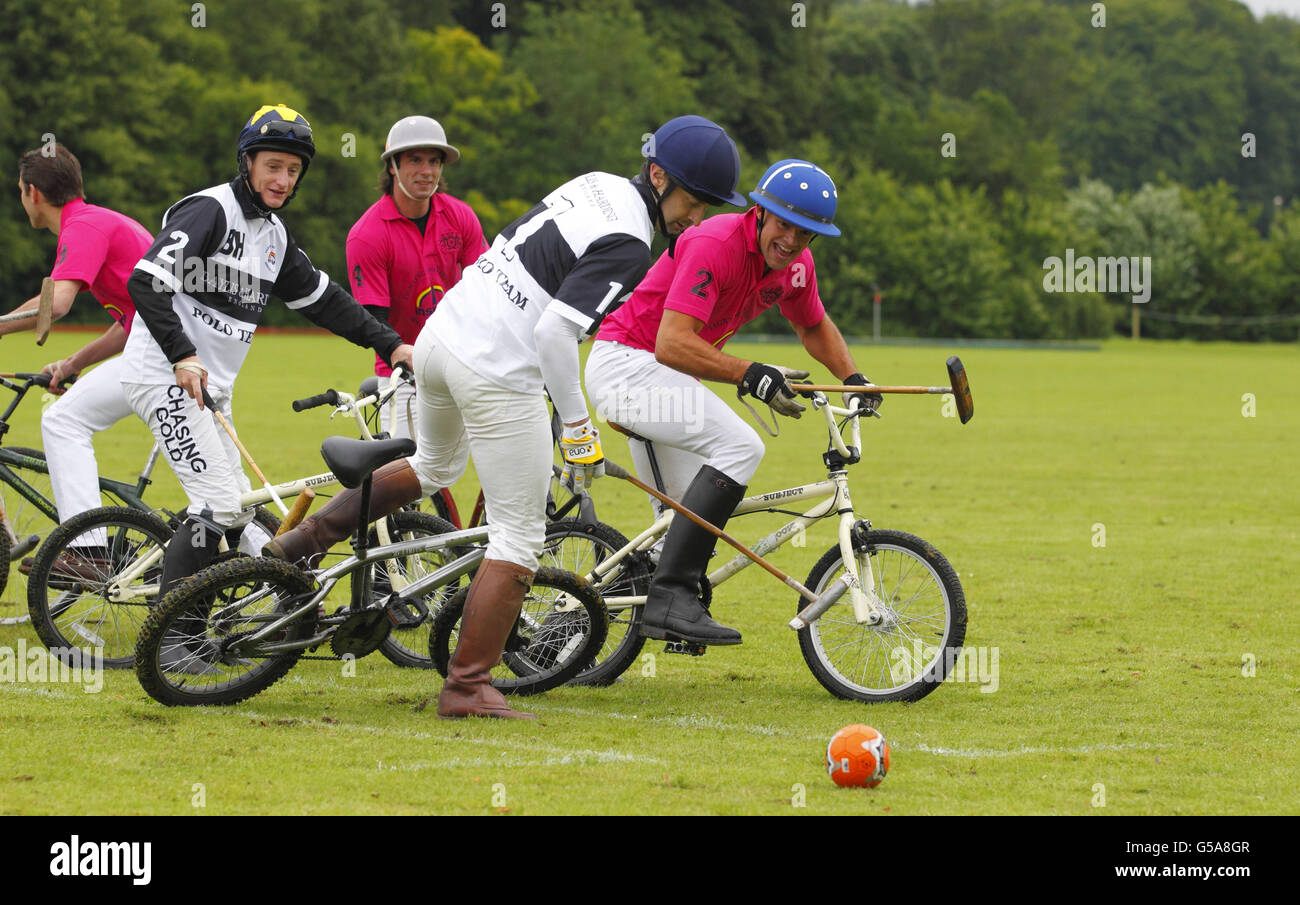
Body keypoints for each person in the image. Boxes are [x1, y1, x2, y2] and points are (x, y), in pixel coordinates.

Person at [267, 115, 749, 718]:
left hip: (442, 337)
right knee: (519, 536)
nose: (696, 219)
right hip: (497, 367)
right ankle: (466, 685)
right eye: (694, 202)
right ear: (658, 177)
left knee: (435, 464)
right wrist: (577, 426)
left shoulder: (597, 183)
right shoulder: (632, 240)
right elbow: (553, 334)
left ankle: (301, 545)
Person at [584, 159, 882, 647]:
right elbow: (672, 344)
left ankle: (612, 613)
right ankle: (672, 599)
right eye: (783, 225)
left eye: (805, 234)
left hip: (664, 376)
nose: (791, 242)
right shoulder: (714, 243)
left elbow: (811, 325)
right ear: (760, 213)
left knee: (687, 527)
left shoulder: (796, 266)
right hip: (627, 366)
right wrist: (751, 375)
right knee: (742, 447)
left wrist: (851, 378)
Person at [121, 104, 413, 603]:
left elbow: (326, 302)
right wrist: (182, 353)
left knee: (242, 506)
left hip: (211, 390)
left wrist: (391, 343)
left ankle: (257, 611)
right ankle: (174, 642)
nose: (282, 179)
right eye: (272, 166)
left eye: (293, 170)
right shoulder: (210, 211)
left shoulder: (274, 237)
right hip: (165, 378)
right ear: (248, 162)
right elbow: (146, 281)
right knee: (218, 507)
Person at [4, 144, 153, 551]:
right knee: (215, 488)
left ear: (33, 193)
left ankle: (85, 549)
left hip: (162, 356)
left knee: (62, 422)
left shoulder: (82, 226)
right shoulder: (100, 220)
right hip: (168, 347)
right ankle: (277, 558)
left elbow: (57, 304)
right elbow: (131, 324)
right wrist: (74, 363)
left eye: (20, 191)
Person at [347, 116, 487, 439]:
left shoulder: (461, 217)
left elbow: (485, 291)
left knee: (484, 467)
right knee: (405, 484)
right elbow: (374, 322)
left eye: (434, 161)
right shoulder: (367, 235)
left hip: (462, 365)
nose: (427, 171)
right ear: (393, 165)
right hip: (402, 376)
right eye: (415, 160)